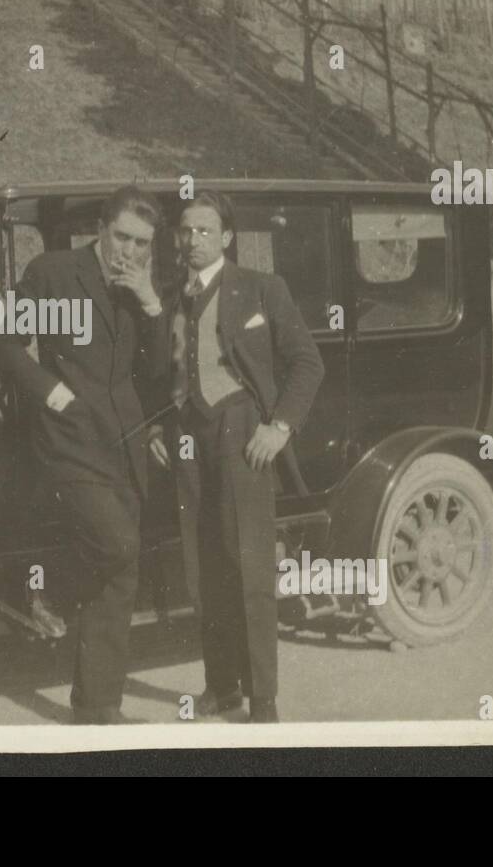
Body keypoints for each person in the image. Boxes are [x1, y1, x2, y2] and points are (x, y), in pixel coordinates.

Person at [147, 191, 323, 723]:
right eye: (185, 231)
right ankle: (221, 686)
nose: (193, 240)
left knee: (249, 566)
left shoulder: (262, 289)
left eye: (204, 230)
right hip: (189, 441)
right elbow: (161, 372)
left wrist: (279, 426)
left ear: (225, 237)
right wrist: (158, 421)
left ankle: (263, 697)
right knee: (204, 569)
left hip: (243, 433)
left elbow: (307, 364)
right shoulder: (171, 296)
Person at [0, 186, 165, 725]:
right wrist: (50, 391)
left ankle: (97, 709)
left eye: (141, 243)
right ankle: (40, 588)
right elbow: (2, 338)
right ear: (101, 228)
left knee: (117, 580)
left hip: (123, 447)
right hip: (68, 442)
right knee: (117, 546)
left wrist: (152, 303)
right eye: (122, 237)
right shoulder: (53, 272)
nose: (129, 252)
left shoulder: (141, 290)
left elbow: (157, 372)